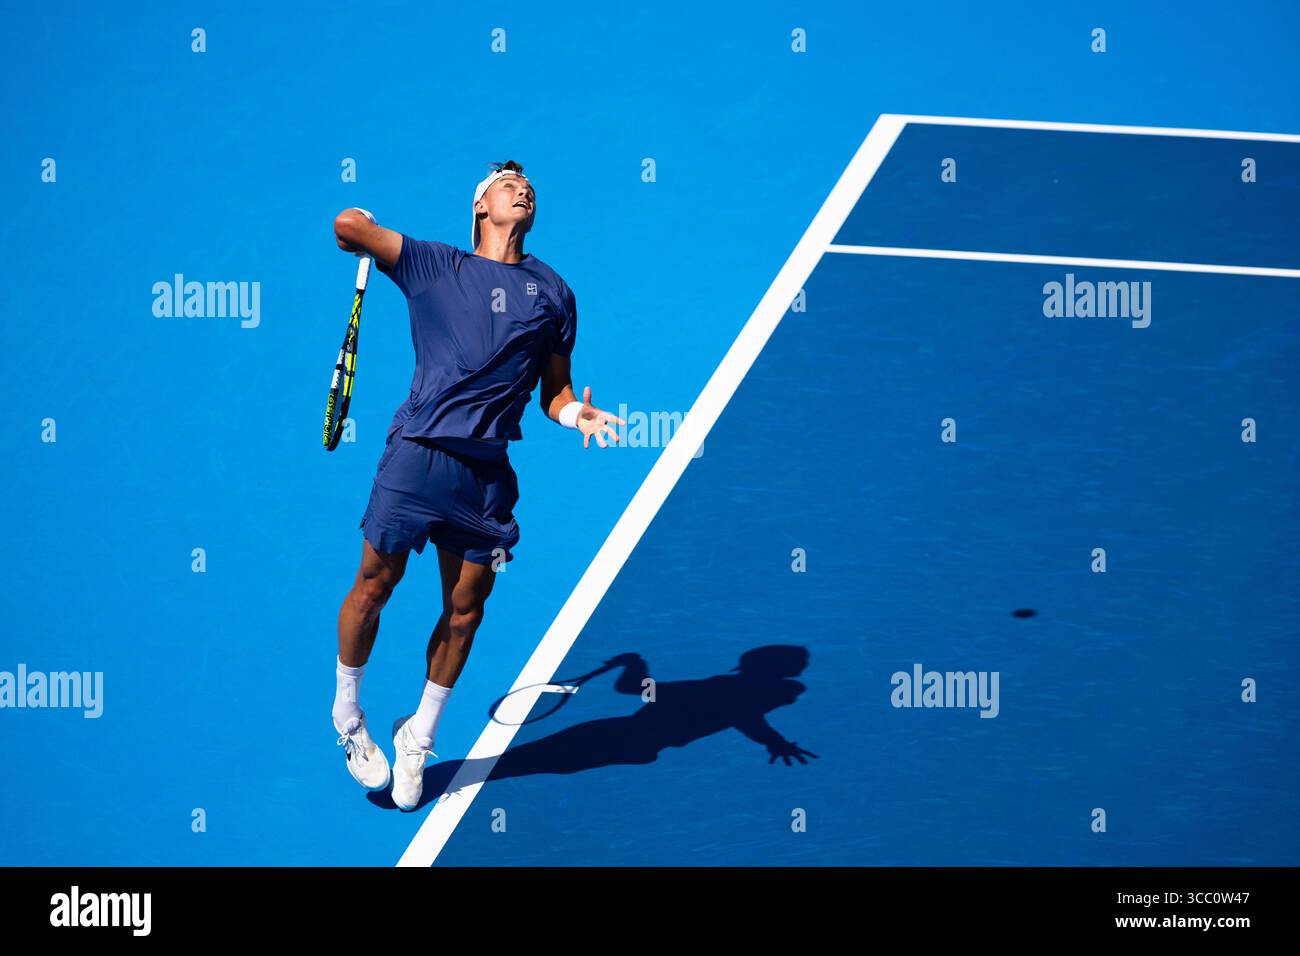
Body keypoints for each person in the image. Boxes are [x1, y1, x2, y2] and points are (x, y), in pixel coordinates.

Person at [328, 162, 623, 810]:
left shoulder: (555, 293)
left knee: (465, 612)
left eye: (529, 186)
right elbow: (347, 228)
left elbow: (556, 392)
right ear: (481, 207)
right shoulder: (433, 266)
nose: (523, 189)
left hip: (485, 477)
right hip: (418, 459)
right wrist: (359, 224)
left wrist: (578, 415)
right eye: (507, 183)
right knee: (374, 586)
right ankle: (348, 715)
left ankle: (419, 737)